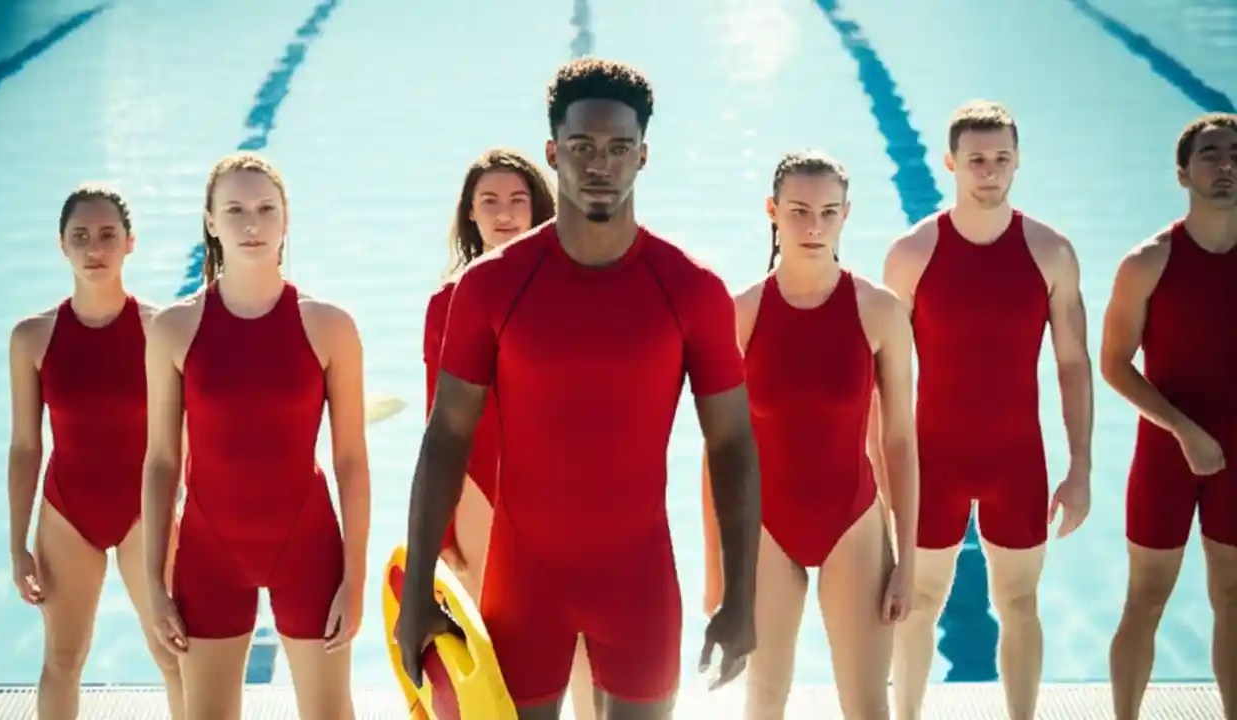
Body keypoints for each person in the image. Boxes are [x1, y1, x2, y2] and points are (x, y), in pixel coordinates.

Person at [395, 57, 760, 720]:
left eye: (619, 148)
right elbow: (445, 436)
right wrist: (419, 587)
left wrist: (742, 597)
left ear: (643, 156)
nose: (601, 165)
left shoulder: (691, 289)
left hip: (639, 585)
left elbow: (732, 442)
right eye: (582, 147)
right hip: (524, 586)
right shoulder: (492, 287)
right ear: (552, 151)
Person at [883, 100, 1093, 720]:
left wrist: (1080, 469)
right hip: (934, 458)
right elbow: (884, 378)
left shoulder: (1051, 252)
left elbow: (1073, 365)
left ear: (1018, 161)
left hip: (1016, 459)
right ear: (951, 163)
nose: (990, 171)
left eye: (1002, 158)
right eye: (976, 159)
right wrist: (878, 470)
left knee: (1020, 604)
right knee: (916, 605)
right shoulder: (913, 253)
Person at [142, 151, 370, 719]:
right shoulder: (174, 328)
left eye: (266, 209)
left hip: (308, 543)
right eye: (236, 210)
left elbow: (351, 460)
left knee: (329, 713)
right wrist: (153, 577)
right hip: (208, 550)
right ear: (211, 220)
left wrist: (356, 577)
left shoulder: (329, 325)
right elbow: (161, 462)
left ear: (286, 219)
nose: (251, 224)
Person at [700, 151, 917, 720]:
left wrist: (908, 560)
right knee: (765, 698)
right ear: (772, 211)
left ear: (847, 214)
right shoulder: (741, 313)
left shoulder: (880, 311)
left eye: (828, 211)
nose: (814, 226)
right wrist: (716, 572)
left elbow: (899, 441)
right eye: (798, 211)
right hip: (765, 525)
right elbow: (718, 451)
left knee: (868, 707)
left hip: (854, 519)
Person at [423, 147, 600, 720]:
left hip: (560, 489)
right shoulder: (446, 303)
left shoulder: (574, 293)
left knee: (583, 652)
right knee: (502, 665)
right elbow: (439, 419)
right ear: (470, 215)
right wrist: (444, 527)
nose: (504, 214)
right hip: (480, 491)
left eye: (517, 200)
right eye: (489, 202)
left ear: (539, 210)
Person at [6, 184, 184, 720]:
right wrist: (18, 545)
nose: (94, 247)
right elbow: (24, 446)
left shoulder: (161, 329)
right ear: (61, 245)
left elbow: (185, 439)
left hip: (144, 513)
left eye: (107, 235)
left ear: (130, 242)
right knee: (63, 657)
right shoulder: (32, 338)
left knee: (172, 653)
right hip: (67, 512)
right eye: (80, 236)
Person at [1104, 112, 1237, 720]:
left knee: (1233, 597)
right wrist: (1183, 429)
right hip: (1166, 454)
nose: (1227, 166)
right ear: (1183, 172)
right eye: (1211, 154)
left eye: (1235, 154)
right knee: (1146, 600)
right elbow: (1114, 364)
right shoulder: (1149, 262)